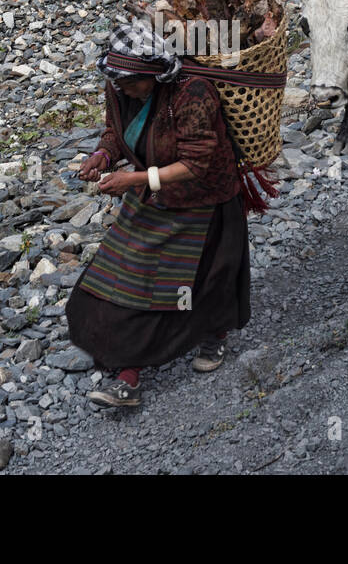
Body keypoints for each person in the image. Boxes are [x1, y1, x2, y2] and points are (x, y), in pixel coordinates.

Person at [65, 21, 251, 408]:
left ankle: (209, 339)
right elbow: (116, 132)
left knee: (197, 282)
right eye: (118, 83)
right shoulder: (120, 87)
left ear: (153, 74)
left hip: (204, 198)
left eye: (131, 84)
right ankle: (128, 368)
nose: (122, 90)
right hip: (151, 196)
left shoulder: (193, 93)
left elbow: (197, 162)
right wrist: (101, 156)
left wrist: (134, 177)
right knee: (122, 281)